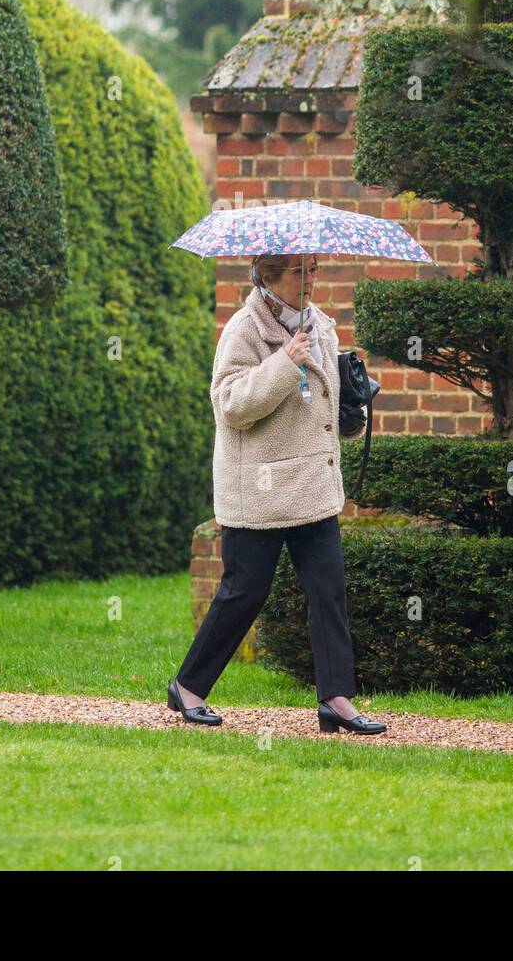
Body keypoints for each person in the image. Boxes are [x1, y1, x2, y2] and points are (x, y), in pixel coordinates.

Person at [168, 251, 386, 736]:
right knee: (244, 593)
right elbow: (230, 405)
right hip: (259, 491)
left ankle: (335, 699)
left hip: (312, 487)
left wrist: (352, 412)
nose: (312, 277)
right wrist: (285, 364)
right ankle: (187, 688)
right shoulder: (243, 329)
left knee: (328, 591)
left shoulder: (320, 327)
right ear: (268, 277)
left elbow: (322, 407)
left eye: (314, 268)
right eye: (300, 270)